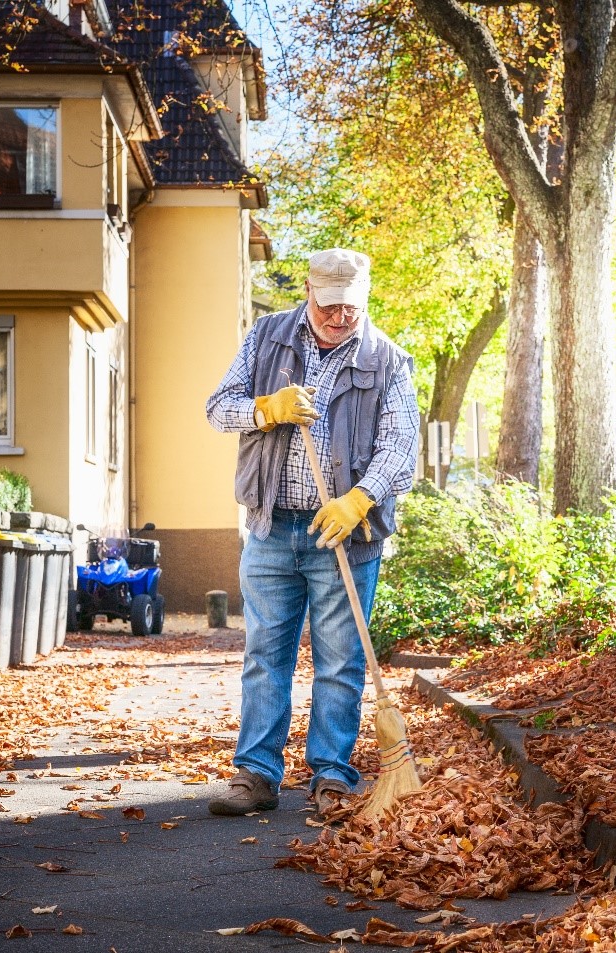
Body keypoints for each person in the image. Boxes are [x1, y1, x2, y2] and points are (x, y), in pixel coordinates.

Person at [204, 248, 419, 818]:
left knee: (340, 660)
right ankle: (256, 775)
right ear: (308, 291)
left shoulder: (388, 360)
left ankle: (331, 775)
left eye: (350, 306)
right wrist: (265, 409)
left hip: (344, 537)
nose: (339, 317)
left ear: (365, 299)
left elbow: (402, 450)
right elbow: (216, 409)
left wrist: (360, 498)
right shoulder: (269, 338)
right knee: (264, 654)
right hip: (272, 527)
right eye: (329, 306)